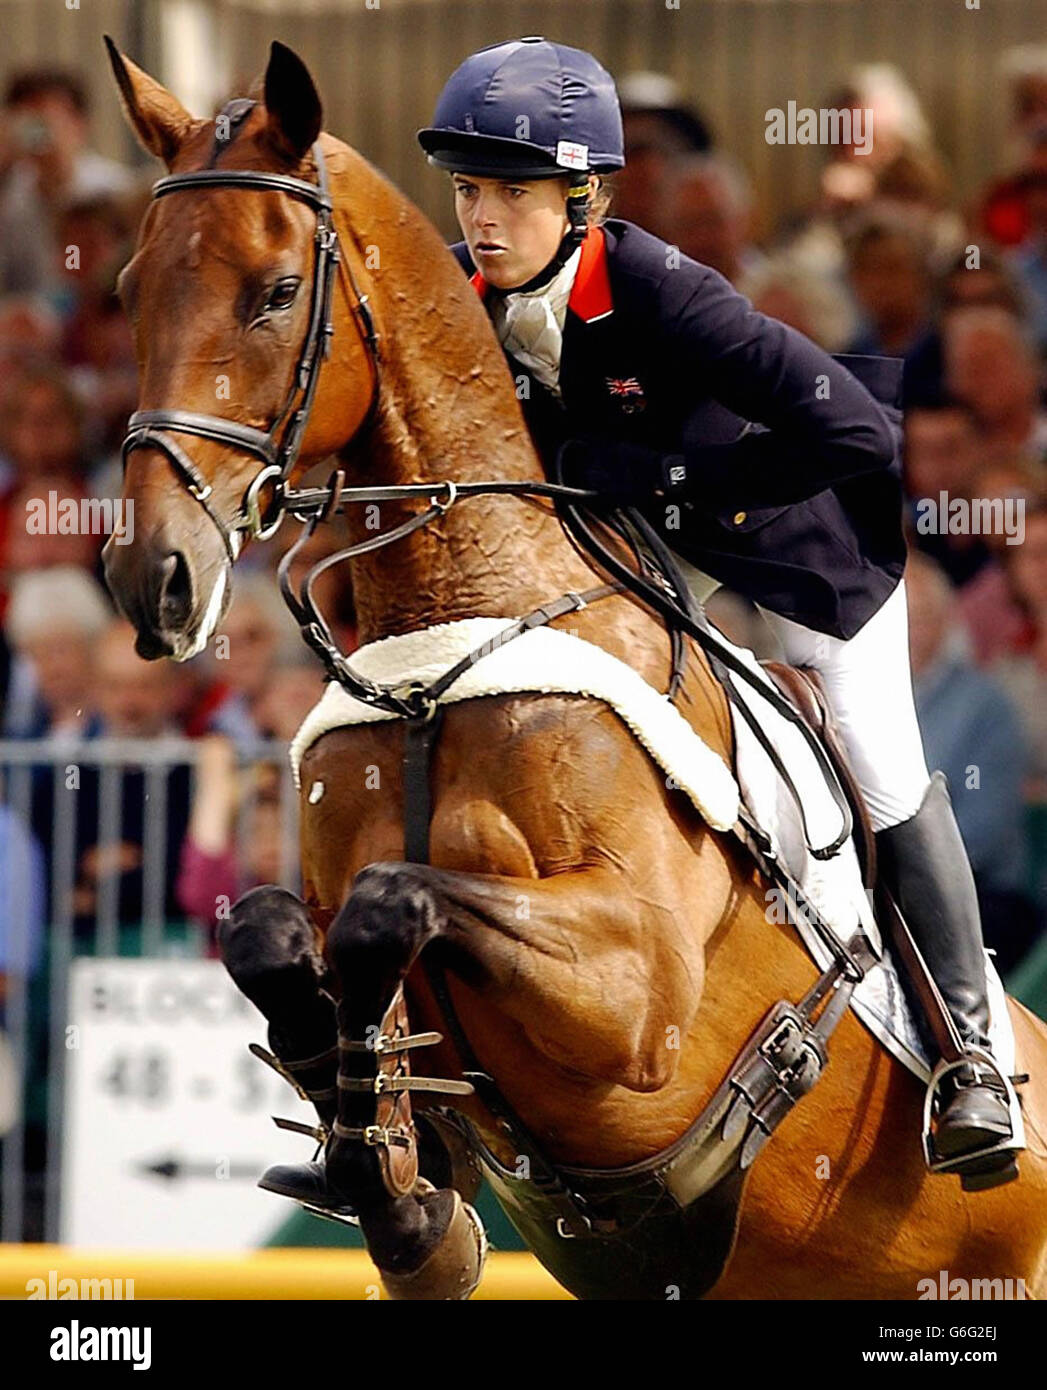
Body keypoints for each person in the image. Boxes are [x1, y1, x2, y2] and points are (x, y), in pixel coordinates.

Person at [271, 37, 1019, 1206]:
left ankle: (978, 1062)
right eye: (468, 188)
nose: (482, 216)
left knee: (883, 776)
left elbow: (862, 437)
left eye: (511, 191)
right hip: (648, 580)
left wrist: (661, 483)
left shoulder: (664, 288)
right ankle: (387, 1117)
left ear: (584, 197)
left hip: (796, 567)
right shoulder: (471, 312)